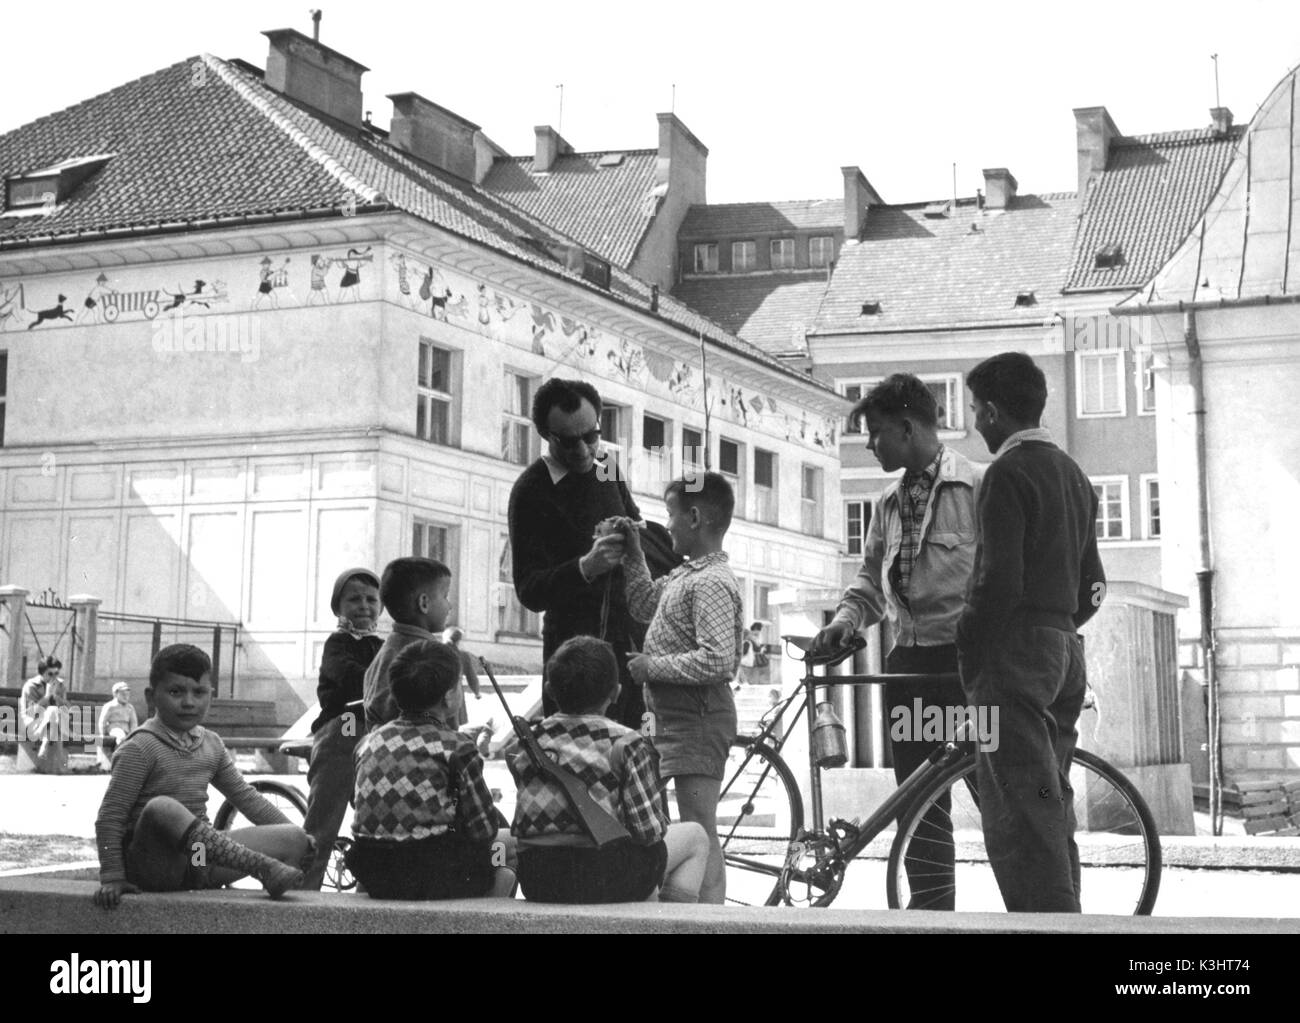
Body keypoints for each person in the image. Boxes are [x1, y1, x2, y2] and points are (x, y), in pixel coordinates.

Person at [810, 373, 983, 910]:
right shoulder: (886, 502)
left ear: (908, 427)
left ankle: (1031, 912)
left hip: (968, 668)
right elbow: (867, 581)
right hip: (908, 668)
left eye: (876, 432)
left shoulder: (979, 487)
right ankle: (932, 912)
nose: (869, 444)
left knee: (994, 789)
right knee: (918, 799)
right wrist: (845, 620)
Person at [957, 351, 1106, 913]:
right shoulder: (1075, 475)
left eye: (975, 409)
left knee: (1018, 811)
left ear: (994, 411)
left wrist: (970, 647)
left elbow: (998, 582)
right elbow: (1094, 583)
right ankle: (1069, 922)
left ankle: (1045, 928)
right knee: (1051, 799)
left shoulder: (1006, 475)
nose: (974, 422)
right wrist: (1060, 627)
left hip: (1016, 653)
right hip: (1065, 650)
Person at [93, 644, 311, 909]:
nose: (188, 702)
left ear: (211, 695)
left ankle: (272, 878)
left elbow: (245, 797)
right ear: (151, 697)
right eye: (175, 692)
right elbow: (109, 818)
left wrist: (305, 838)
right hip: (154, 868)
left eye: (199, 692)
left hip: (199, 861)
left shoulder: (210, 743)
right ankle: (261, 867)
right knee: (162, 807)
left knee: (294, 837)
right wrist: (112, 875)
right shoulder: (140, 747)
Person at [620, 472, 743, 905]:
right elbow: (640, 603)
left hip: (699, 717)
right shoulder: (684, 576)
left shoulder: (710, 582)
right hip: (678, 719)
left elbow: (717, 659)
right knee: (688, 826)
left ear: (694, 517)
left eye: (671, 514)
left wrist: (652, 665)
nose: (666, 524)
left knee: (699, 827)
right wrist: (634, 553)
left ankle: (709, 921)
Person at [509, 636, 708, 903]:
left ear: (550, 689)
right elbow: (649, 832)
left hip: (537, 878)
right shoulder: (626, 743)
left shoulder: (527, 744)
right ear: (615, 692)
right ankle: (670, 923)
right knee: (695, 837)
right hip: (602, 875)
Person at [507, 378, 646, 730]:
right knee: (574, 759)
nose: (584, 450)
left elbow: (637, 522)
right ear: (546, 435)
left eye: (592, 436)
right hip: (573, 653)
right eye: (569, 442)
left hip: (625, 640)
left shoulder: (607, 468)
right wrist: (585, 567)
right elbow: (528, 590)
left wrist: (634, 535)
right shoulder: (530, 491)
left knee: (634, 750)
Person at [347, 640, 515, 899]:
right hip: (433, 872)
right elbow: (484, 830)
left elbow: (358, 803)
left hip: (371, 869)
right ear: (448, 697)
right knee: (505, 854)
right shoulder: (458, 747)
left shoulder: (367, 742)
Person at [301, 567, 384, 890]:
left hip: (372, 733)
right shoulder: (338, 643)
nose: (363, 605)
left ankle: (372, 887)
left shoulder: (380, 645)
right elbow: (347, 676)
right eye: (354, 599)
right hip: (342, 731)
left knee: (378, 815)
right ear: (338, 607)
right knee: (324, 820)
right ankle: (304, 890)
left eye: (371, 599)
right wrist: (382, 677)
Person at [363, 557, 453, 730]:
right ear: (424, 603)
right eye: (445, 596)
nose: (450, 606)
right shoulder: (426, 655)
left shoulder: (387, 649)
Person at [20, 656, 69, 773]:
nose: (54, 677)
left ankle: (44, 745)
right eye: (50, 674)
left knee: (54, 712)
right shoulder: (31, 686)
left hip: (56, 724)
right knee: (53, 711)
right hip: (33, 725)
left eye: (56, 673)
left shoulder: (60, 685)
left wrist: (57, 697)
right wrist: (46, 697)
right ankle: (61, 764)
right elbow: (30, 712)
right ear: (41, 673)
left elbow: (67, 709)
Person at [443, 627, 482, 727]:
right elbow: (472, 677)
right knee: (453, 727)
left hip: (436, 697)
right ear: (459, 641)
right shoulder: (462, 655)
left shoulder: (435, 651)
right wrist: (477, 693)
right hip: (455, 695)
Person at [96, 682, 140, 772]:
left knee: (135, 741)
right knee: (120, 737)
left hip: (126, 729)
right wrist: (103, 733)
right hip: (114, 728)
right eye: (123, 694)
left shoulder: (130, 707)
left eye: (127, 694)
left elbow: (133, 722)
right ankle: (119, 760)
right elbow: (102, 720)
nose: (126, 696)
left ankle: (132, 765)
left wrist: (133, 733)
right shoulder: (110, 706)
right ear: (115, 694)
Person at [738, 622, 768, 687]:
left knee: (746, 676)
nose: (759, 632)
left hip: (749, 662)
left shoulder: (750, 639)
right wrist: (761, 649)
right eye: (759, 630)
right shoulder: (750, 639)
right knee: (747, 676)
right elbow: (755, 649)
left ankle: (745, 684)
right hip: (749, 662)